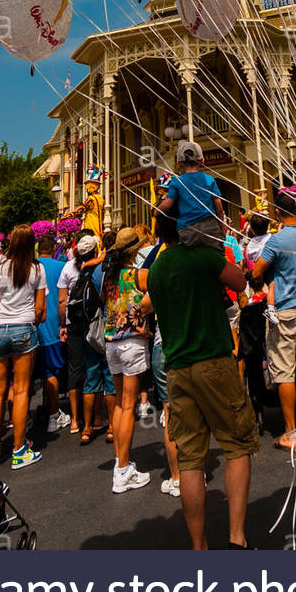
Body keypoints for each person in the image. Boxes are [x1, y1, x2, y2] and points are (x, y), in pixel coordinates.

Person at [144, 217, 259, 548]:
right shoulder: (202, 256)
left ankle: (199, 546)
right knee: (237, 445)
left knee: (191, 458)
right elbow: (239, 282)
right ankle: (236, 538)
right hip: (213, 359)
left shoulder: (158, 268)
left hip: (177, 367)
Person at [250, 190, 296, 450]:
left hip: (283, 310)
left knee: (284, 372)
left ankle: (290, 432)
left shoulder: (277, 241)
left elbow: (257, 271)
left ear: (278, 214)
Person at [0, 225, 47, 470]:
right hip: (24, 328)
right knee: (21, 391)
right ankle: (19, 449)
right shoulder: (36, 269)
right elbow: (40, 309)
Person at [101, 227, 151, 493]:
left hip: (112, 342)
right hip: (131, 340)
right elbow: (155, 295)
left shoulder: (108, 276)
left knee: (121, 404)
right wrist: (143, 314)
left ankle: (120, 464)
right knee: (129, 406)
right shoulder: (137, 274)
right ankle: (122, 470)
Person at [138, 211, 181, 497]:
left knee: (171, 414)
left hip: (165, 344)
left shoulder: (159, 262)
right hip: (193, 343)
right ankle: (197, 470)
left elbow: (144, 302)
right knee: (194, 411)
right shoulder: (199, 257)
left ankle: (179, 477)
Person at [58, 233, 113, 441]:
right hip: (102, 324)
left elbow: (63, 301)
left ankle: (87, 427)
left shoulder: (74, 269)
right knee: (108, 376)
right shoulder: (101, 269)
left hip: (84, 326)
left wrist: (62, 325)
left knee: (90, 376)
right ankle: (111, 426)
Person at [157, 139, 226, 249]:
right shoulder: (209, 179)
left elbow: (168, 203)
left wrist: (156, 211)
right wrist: (223, 227)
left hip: (188, 229)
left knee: (190, 255)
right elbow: (219, 208)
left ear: (179, 163)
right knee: (216, 255)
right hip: (210, 227)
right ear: (202, 160)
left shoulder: (177, 182)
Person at [36, 232, 71, 434]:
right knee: (51, 372)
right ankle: (53, 414)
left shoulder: (30, 268)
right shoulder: (61, 267)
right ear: (53, 249)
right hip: (53, 326)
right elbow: (63, 299)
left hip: (34, 327)